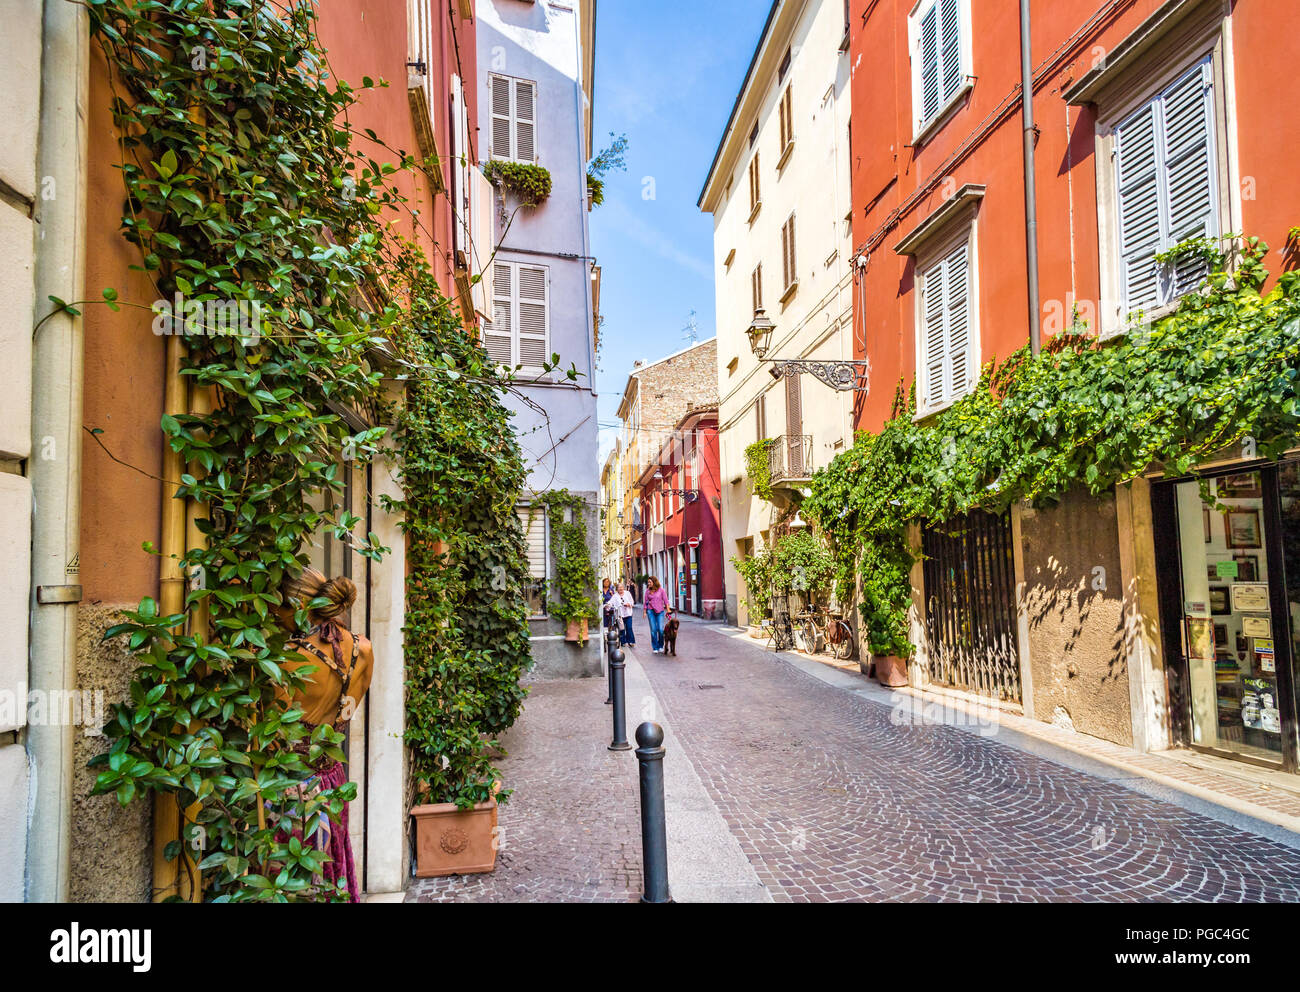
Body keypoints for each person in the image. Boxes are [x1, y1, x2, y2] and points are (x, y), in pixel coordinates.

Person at [273, 567, 374, 903]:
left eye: (277, 606)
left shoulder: (284, 658)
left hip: (291, 786)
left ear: (296, 606)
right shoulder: (363, 650)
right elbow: (347, 710)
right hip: (332, 779)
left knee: (295, 885)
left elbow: (271, 733)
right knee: (330, 874)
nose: (273, 615)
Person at [644, 576, 669, 653]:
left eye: (650, 582)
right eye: (648, 582)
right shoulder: (647, 591)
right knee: (653, 630)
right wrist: (645, 612)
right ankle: (655, 647)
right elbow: (646, 602)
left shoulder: (661, 590)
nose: (648, 583)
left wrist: (668, 609)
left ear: (654, 582)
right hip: (650, 611)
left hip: (660, 611)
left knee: (661, 630)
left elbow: (666, 600)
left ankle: (661, 645)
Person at [617, 581, 636, 647]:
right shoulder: (615, 595)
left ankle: (631, 641)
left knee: (629, 627)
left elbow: (632, 602)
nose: (620, 589)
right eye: (619, 587)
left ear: (624, 588)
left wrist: (629, 604)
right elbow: (611, 603)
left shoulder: (627, 593)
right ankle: (623, 642)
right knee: (622, 629)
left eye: (622, 587)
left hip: (628, 613)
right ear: (617, 589)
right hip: (620, 615)